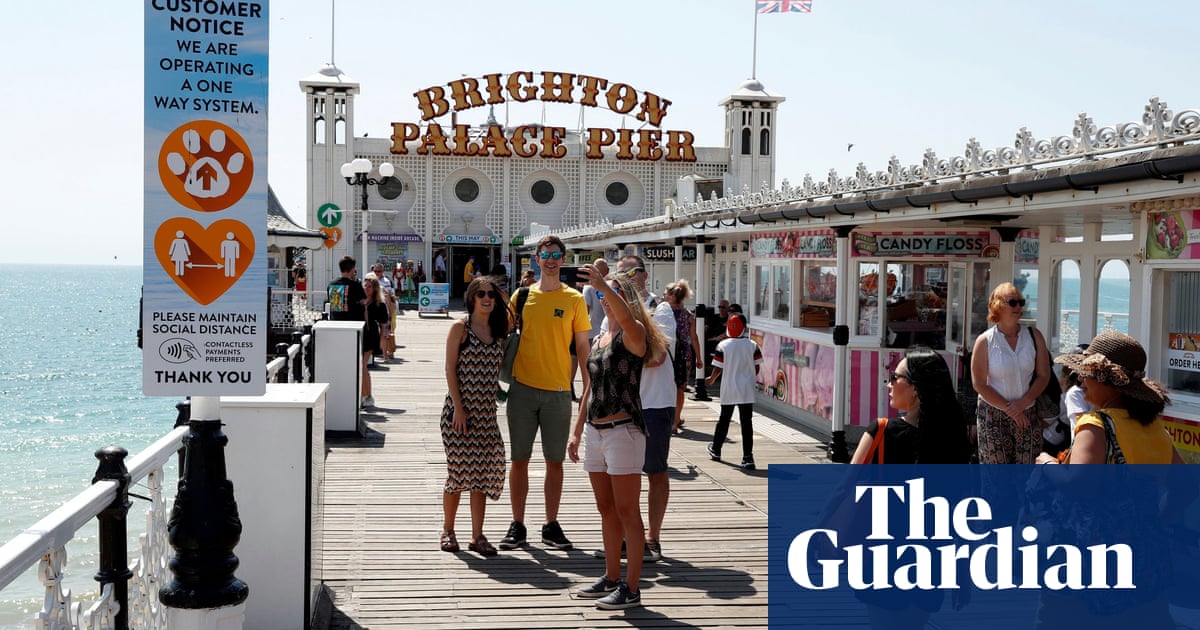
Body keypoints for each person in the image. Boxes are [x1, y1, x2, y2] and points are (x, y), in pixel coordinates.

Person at [568, 270, 669, 610]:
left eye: (610, 295)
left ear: (623, 298)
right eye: (600, 295)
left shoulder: (633, 333)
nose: (604, 301)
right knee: (606, 509)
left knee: (628, 510)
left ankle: (632, 586)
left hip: (623, 430)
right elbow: (589, 389)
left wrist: (602, 287)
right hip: (597, 431)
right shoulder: (599, 337)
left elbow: (626, 317)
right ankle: (612, 578)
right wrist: (578, 429)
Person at [499, 235, 592, 552]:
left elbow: (582, 348)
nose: (551, 260)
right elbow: (503, 335)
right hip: (523, 389)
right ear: (536, 260)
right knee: (519, 460)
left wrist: (586, 387)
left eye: (556, 254)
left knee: (555, 461)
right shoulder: (522, 296)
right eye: (545, 254)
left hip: (558, 393)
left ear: (563, 260)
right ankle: (518, 524)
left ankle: (551, 524)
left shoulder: (574, 300)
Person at [439, 276, 511, 557]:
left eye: (491, 294)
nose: (487, 298)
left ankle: (477, 535)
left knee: (481, 475)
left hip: (486, 415)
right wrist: (458, 407)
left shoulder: (498, 331)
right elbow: (449, 369)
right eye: (480, 293)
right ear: (471, 298)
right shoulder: (460, 328)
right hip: (459, 413)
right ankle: (448, 529)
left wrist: (504, 297)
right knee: (458, 474)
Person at [1038, 331, 1182, 465]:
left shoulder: (1095, 426)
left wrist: (1047, 463)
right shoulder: (1157, 429)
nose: (1081, 378)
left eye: (1087, 372)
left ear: (1108, 381)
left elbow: (1077, 485)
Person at [969, 282, 1052, 464]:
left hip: (1027, 413)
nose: (1018, 307)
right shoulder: (985, 341)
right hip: (993, 416)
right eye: (1013, 302)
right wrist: (1011, 409)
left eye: (1021, 302)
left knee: (1028, 477)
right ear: (998, 305)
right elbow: (979, 384)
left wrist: (1022, 403)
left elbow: (1043, 375)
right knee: (998, 480)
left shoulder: (1034, 336)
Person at [850, 347, 973, 464]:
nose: (889, 384)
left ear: (915, 388)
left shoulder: (881, 430)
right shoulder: (953, 436)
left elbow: (847, 484)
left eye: (894, 377)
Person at [705, 314, 763, 469]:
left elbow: (718, 367)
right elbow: (757, 366)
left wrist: (711, 378)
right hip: (746, 388)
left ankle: (716, 449)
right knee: (746, 423)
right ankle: (747, 457)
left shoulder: (723, 345)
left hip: (729, 387)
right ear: (744, 327)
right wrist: (749, 375)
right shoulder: (752, 345)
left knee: (724, 419)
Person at [664, 280, 703, 434]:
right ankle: (675, 420)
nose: (664, 296)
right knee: (680, 388)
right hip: (685, 354)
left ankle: (673, 420)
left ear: (673, 296)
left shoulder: (663, 314)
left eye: (666, 293)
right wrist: (698, 357)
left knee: (669, 387)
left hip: (669, 353)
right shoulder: (689, 315)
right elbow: (694, 338)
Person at [360, 276, 390, 408]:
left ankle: (366, 395)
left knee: (362, 365)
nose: (366, 288)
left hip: (371, 335)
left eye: (369, 286)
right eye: (365, 286)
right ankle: (365, 395)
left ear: (375, 289)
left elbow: (383, 325)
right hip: (359, 334)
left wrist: (382, 343)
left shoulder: (379, 304)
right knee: (363, 367)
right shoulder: (359, 301)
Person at [327, 255, 366, 322]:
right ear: (352, 269)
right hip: (353, 323)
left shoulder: (331, 284)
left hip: (335, 321)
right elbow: (363, 301)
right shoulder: (355, 285)